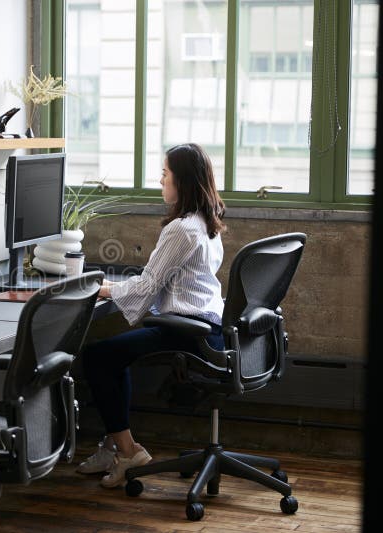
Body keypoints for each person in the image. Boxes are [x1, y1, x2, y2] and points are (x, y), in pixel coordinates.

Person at [77, 143, 227, 488]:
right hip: (207, 326)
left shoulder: (181, 229)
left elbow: (148, 285)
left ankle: (128, 451)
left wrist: (105, 290)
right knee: (116, 356)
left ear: (183, 182)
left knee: (98, 357)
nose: (161, 181)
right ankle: (116, 444)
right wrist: (117, 287)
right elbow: (158, 281)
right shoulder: (206, 222)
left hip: (186, 330)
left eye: (165, 174)